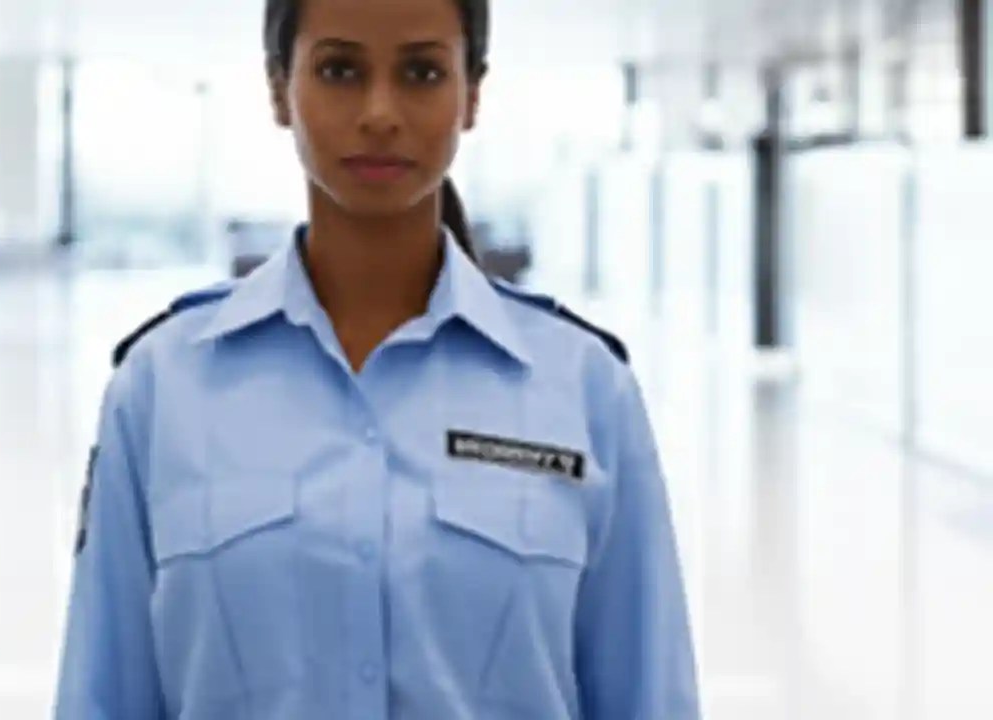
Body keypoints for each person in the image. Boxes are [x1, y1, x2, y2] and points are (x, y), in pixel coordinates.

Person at [53, 0, 701, 717]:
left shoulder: (583, 389)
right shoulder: (162, 386)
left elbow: (649, 696)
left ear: (472, 94)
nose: (381, 112)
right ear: (279, 89)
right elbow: (104, 693)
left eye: (422, 72)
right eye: (339, 70)